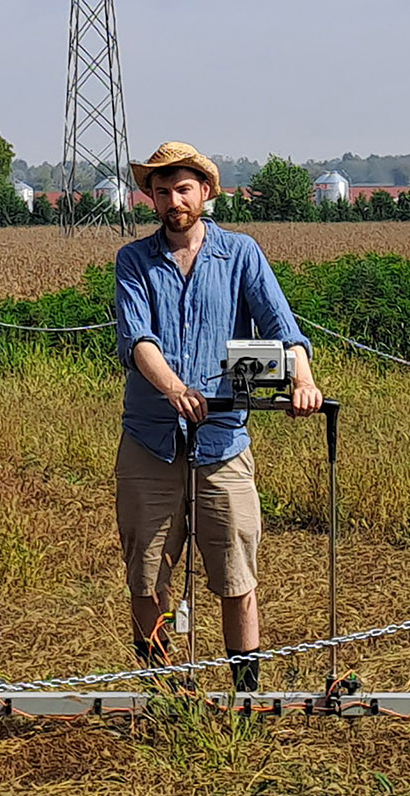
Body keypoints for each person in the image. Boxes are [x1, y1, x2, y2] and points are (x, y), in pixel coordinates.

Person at [112, 141, 324, 695]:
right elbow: (138, 340)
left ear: (205, 192)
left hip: (223, 441)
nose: (173, 201)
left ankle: (246, 696)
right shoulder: (134, 260)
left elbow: (282, 326)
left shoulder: (241, 253)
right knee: (147, 575)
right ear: (151, 198)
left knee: (236, 573)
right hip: (150, 441)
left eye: (183, 189)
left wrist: (302, 382)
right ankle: (165, 694)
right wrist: (174, 389)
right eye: (162, 191)